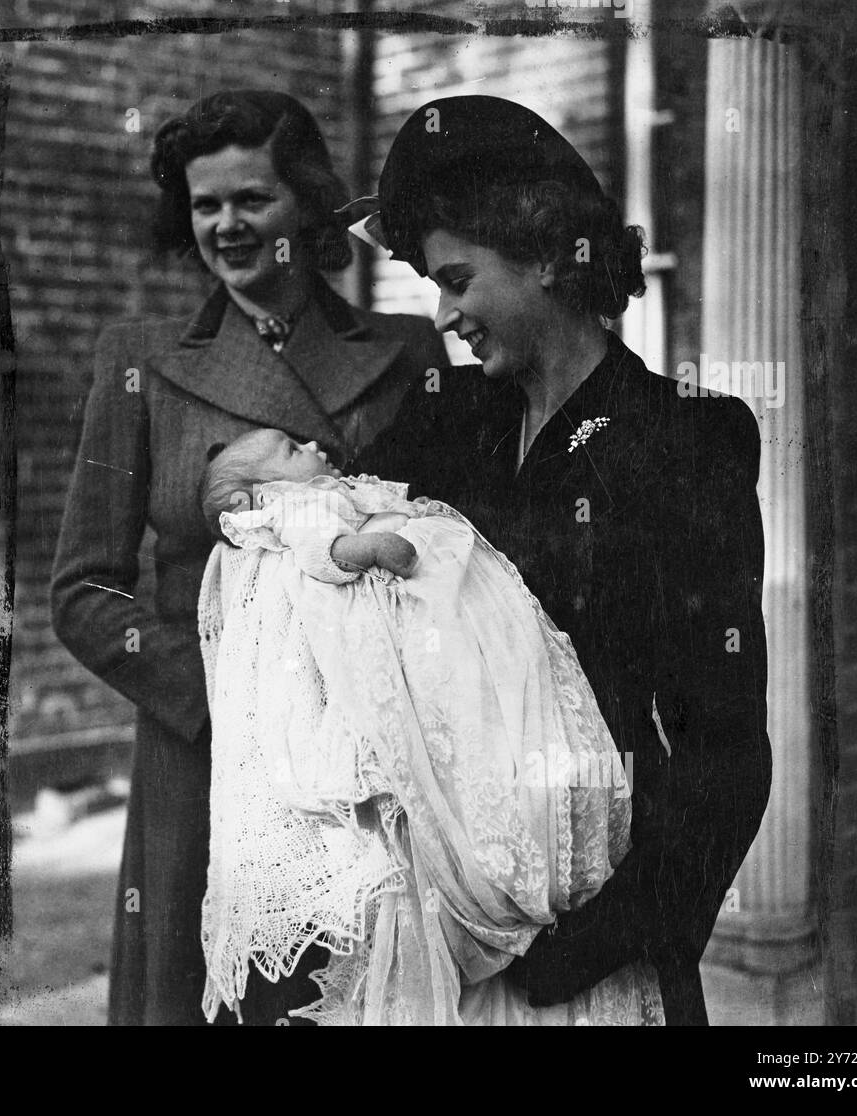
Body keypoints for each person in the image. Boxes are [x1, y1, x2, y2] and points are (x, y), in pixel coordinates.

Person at [352, 96, 773, 1026]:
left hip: (595, 954)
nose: (445, 313)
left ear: (545, 253)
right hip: (439, 941)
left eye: (458, 279)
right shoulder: (445, 423)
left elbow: (729, 756)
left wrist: (582, 956)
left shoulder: (685, 440)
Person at [50, 89, 448, 1026]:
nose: (226, 225)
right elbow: (82, 589)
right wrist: (222, 693)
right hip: (208, 744)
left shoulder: (408, 350)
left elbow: (439, 543)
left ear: (306, 206)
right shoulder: (138, 361)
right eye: (204, 205)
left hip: (366, 742)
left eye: (251, 200)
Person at [196, 428, 663, 1025]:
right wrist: (366, 550)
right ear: (248, 501)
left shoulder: (333, 492)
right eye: (291, 450)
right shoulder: (294, 512)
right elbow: (319, 547)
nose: (311, 446)